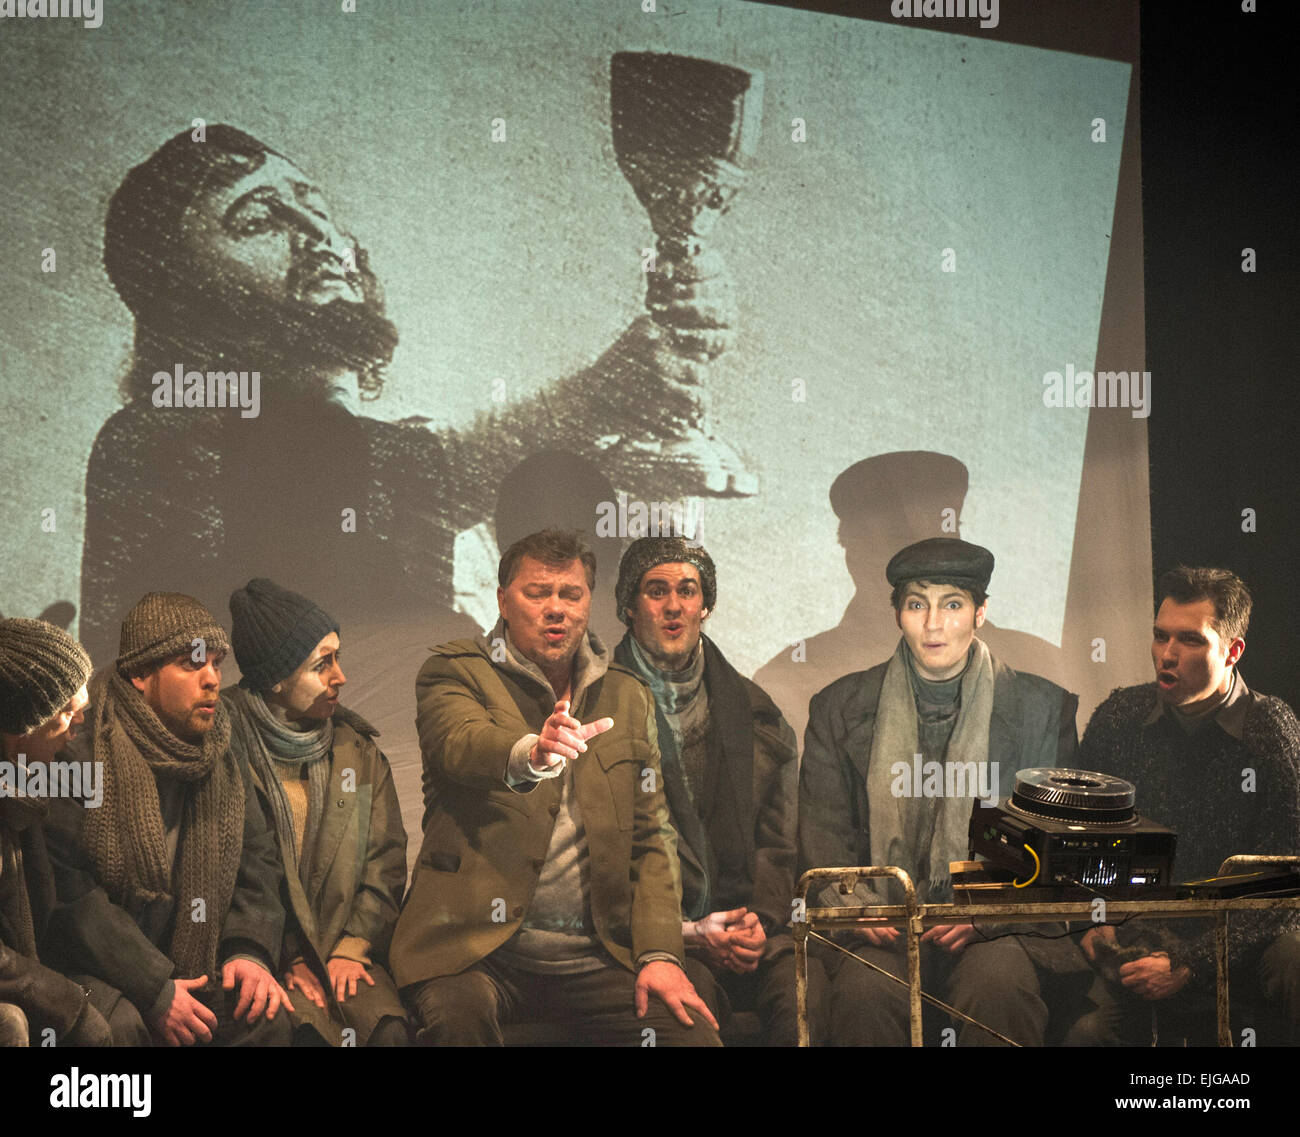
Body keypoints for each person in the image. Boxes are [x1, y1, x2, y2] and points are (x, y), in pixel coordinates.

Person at [392, 529, 720, 1045]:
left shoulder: (626, 693)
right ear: (503, 599)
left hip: (596, 956)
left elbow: (652, 841)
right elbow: (461, 744)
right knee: (459, 1024)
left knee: (689, 1034)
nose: (556, 609)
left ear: (590, 601)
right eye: (537, 593)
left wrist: (658, 954)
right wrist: (532, 754)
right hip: (474, 951)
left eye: (571, 594)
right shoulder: (455, 671)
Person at [798, 537, 1083, 1045]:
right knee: (865, 993)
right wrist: (856, 909)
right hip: (880, 923)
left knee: (997, 988)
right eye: (916, 604)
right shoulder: (839, 708)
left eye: (951, 604)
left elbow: (1055, 848)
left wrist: (988, 916)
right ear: (898, 615)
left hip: (996, 923)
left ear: (980, 613)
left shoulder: (1041, 709)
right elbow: (823, 838)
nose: (932, 624)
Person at [43, 593, 292, 1046]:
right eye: (191, 664)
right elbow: (70, 895)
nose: (212, 679)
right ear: (140, 673)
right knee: (120, 1029)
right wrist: (154, 988)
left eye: (216, 663)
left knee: (262, 1015)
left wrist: (248, 949)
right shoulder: (82, 746)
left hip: (196, 959)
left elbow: (256, 859)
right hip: (100, 967)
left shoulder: (222, 744)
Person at [1075, 565, 1300, 1044]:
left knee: (1293, 960)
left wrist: (1192, 963)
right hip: (1146, 938)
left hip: (1248, 942)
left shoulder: (1270, 730)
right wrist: (1092, 920)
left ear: (1233, 651)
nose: (1167, 655)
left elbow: (1285, 887)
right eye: (1160, 637)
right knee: (1088, 1035)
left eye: (1190, 640)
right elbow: (1084, 843)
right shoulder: (1120, 718)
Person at [611, 535, 823, 1044]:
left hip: (748, 927)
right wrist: (685, 931)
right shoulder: (596, 709)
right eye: (655, 591)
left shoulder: (755, 712)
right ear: (628, 607)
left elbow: (778, 842)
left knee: (806, 996)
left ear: (705, 605)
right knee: (688, 1010)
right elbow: (598, 852)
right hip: (652, 936)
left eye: (687, 590)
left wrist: (755, 925)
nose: (673, 606)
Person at [223, 578, 410, 1046]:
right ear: (276, 678)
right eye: (321, 664)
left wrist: (353, 947)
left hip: (343, 948)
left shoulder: (356, 752)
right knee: (301, 1032)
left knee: (385, 1029)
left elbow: (384, 862)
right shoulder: (225, 749)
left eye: (337, 658)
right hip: (263, 952)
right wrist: (283, 954)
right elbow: (231, 877)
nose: (340, 676)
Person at [0, 618, 111, 1046]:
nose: (80, 719)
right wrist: (65, 1001)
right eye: (66, 710)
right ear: (20, 727)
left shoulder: (23, 788)